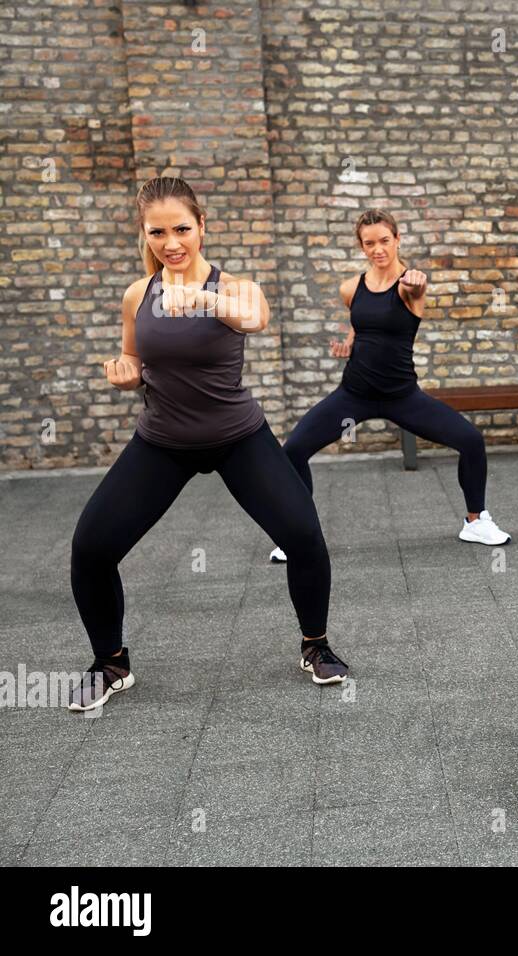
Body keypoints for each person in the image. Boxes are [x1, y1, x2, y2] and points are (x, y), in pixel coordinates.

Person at [68, 176, 346, 712]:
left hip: (237, 436)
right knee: (91, 547)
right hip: (162, 441)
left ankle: (315, 645)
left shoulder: (235, 288)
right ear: (144, 233)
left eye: (181, 229)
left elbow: (255, 319)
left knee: (303, 534)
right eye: (158, 232)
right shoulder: (137, 295)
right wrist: (124, 373)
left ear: (202, 228)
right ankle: (111, 663)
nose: (171, 242)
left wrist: (199, 298)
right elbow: (134, 361)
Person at [267, 209, 510, 564]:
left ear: (397, 239)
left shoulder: (410, 287)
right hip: (353, 396)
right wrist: (348, 343)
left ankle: (475, 521)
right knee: (294, 450)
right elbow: (360, 324)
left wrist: (416, 281)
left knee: (471, 441)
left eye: (384, 240)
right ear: (361, 246)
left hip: (402, 397)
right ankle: (299, 535)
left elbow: (417, 287)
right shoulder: (351, 288)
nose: (377, 249)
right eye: (369, 243)